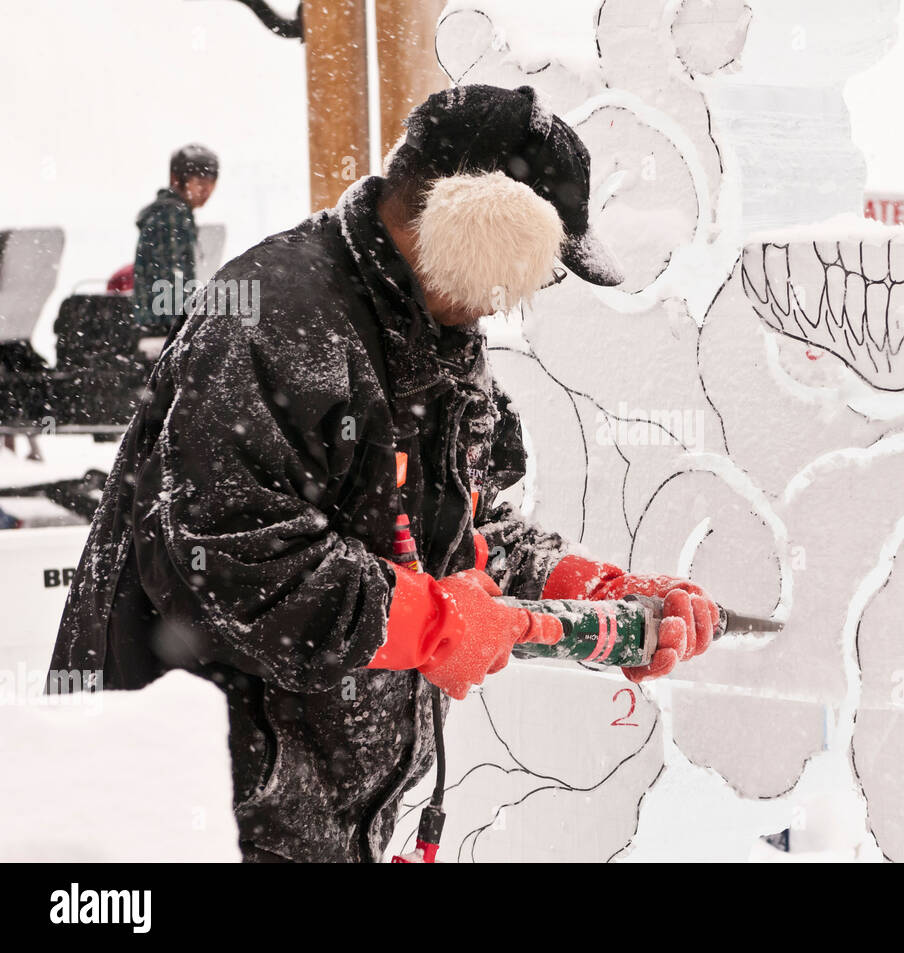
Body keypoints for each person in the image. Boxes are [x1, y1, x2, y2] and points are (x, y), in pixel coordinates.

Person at [48, 85, 719, 862]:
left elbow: (455, 527)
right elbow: (236, 563)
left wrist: (577, 587)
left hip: (318, 813)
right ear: (484, 225)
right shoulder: (275, 315)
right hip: (188, 816)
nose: (528, 294)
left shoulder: (433, 337)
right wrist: (432, 624)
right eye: (540, 262)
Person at [132, 144, 219, 332]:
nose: (206, 188)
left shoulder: (170, 212)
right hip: (164, 327)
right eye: (198, 180)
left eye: (211, 181)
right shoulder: (173, 215)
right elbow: (173, 280)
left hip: (154, 323)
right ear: (176, 179)